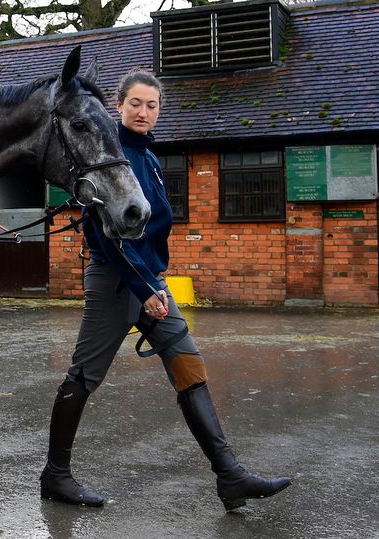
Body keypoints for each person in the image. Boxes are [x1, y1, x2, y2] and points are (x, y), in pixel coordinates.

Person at [39, 70, 292, 511]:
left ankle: (229, 476)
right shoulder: (106, 152)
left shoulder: (151, 160)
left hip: (150, 283)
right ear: (118, 106)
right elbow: (103, 236)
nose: (143, 112)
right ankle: (55, 476)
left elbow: (152, 232)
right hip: (116, 281)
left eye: (152, 105)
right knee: (84, 376)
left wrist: (155, 284)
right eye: (135, 103)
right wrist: (144, 287)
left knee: (189, 368)